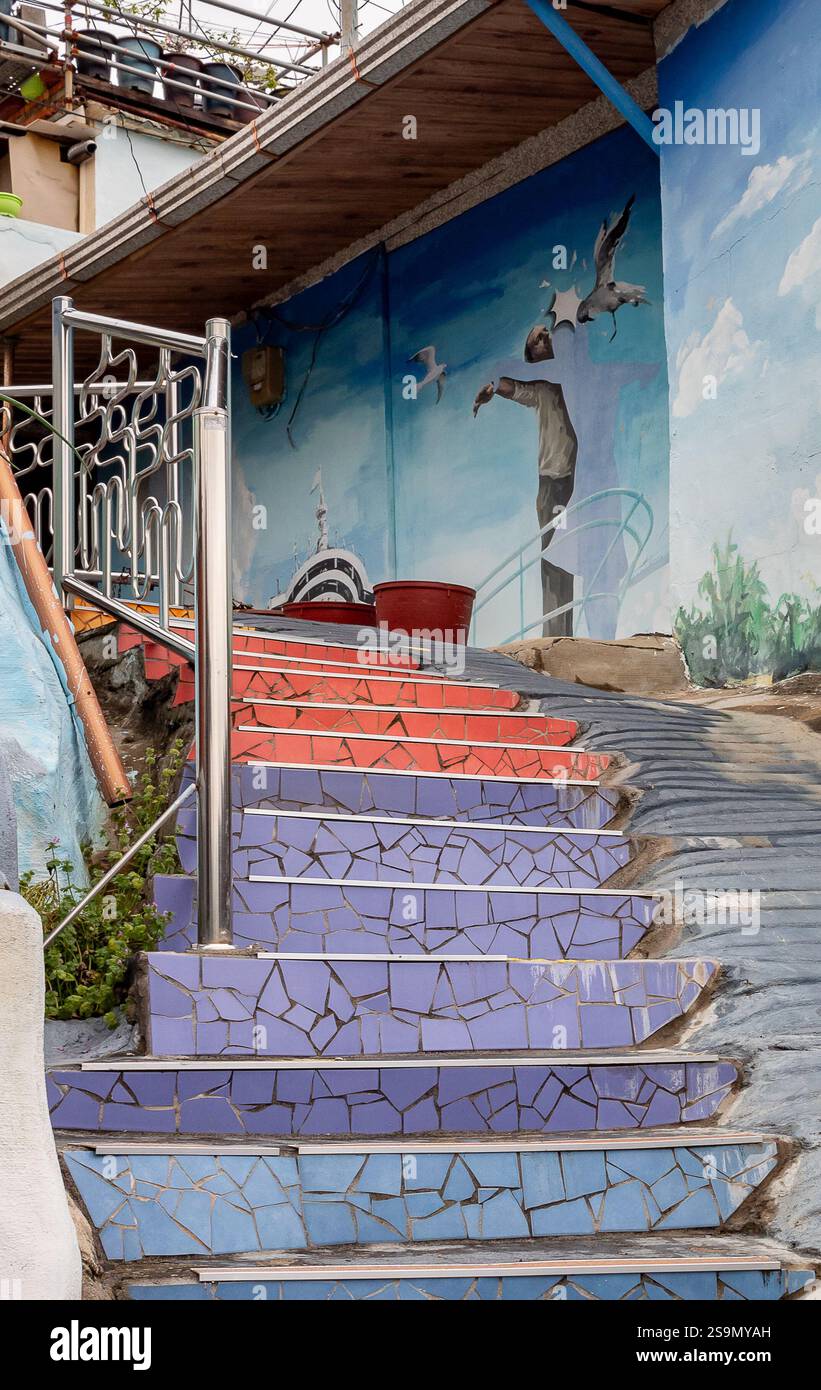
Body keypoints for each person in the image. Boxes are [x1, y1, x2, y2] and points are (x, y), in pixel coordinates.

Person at [473, 323, 578, 635]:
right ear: (533, 354)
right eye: (539, 338)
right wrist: (493, 388)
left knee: (580, 550)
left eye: (547, 333)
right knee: (556, 557)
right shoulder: (542, 388)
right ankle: (557, 634)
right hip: (555, 484)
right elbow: (513, 388)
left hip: (581, 479)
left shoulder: (574, 376)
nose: (546, 338)